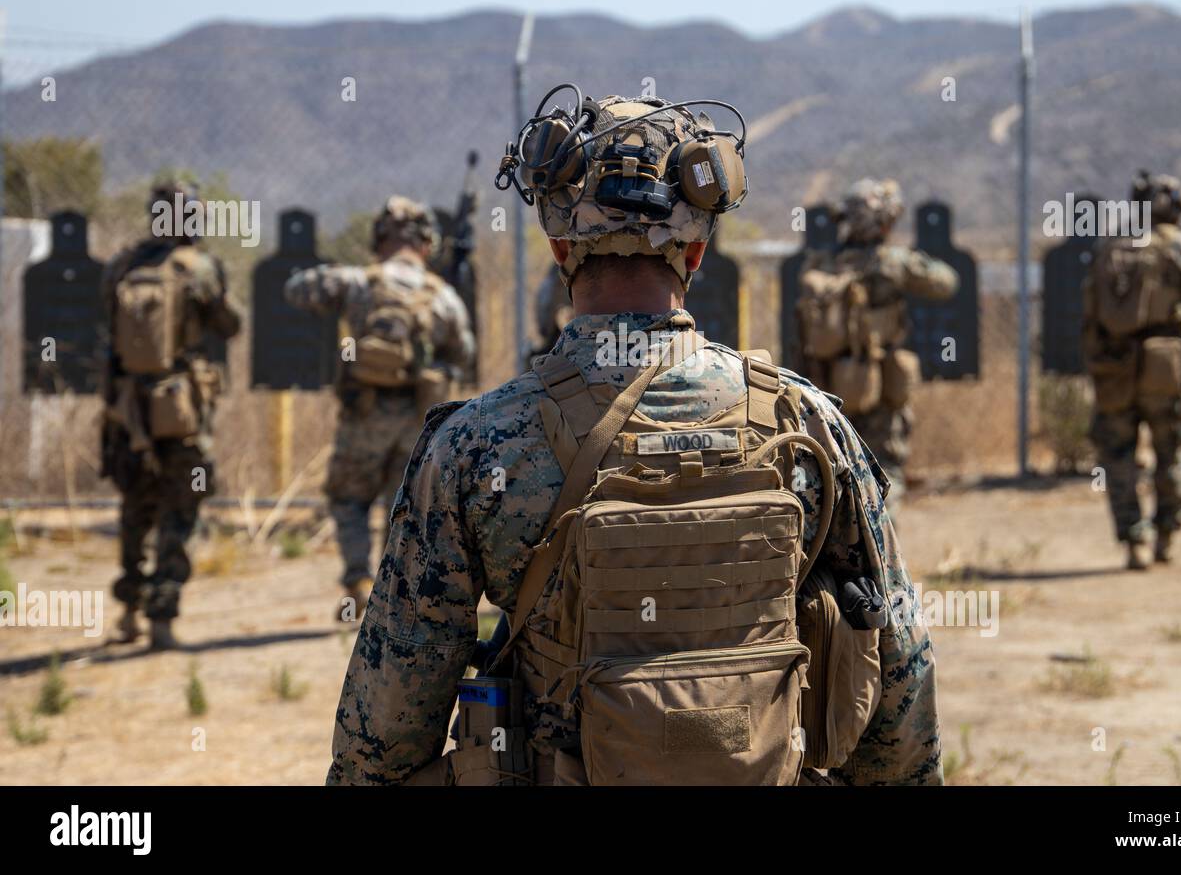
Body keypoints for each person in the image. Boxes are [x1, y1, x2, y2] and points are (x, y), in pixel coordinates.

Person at [328, 92, 940, 786]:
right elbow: (900, 677)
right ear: (698, 253)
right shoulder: (806, 427)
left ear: (560, 248)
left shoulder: (475, 446)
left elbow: (385, 727)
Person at [285, 197, 475, 616]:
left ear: (378, 240)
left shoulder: (358, 281)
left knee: (349, 499)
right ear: (426, 245)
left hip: (363, 416)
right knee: (403, 507)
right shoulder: (442, 297)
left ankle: (357, 579)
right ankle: (393, 596)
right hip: (418, 423)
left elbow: (297, 290)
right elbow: (464, 354)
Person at [101, 177, 241, 650]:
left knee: (135, 506)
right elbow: (231, 324)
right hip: (181, 411)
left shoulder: (121, 265)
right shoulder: (198, 267)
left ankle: (128, 610)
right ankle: (162, 617)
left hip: (128, 411)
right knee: (180, 510)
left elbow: (107, 335)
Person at [1082, 170, 1181, 569]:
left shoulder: (1110, 246)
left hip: (1114, 367)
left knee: (1118, 454)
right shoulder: (1179, 244)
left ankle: (1134, 541)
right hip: (1164, 365)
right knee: (1170, 448)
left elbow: (1089, 311)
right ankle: (1165, 535)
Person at [795, 178, 958, 508]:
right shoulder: (893, 262)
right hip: (880, 388)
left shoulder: (819, 263)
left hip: (827, 387)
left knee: (831, 471)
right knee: (885, 469)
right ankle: (883, 549)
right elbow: (946, 282)